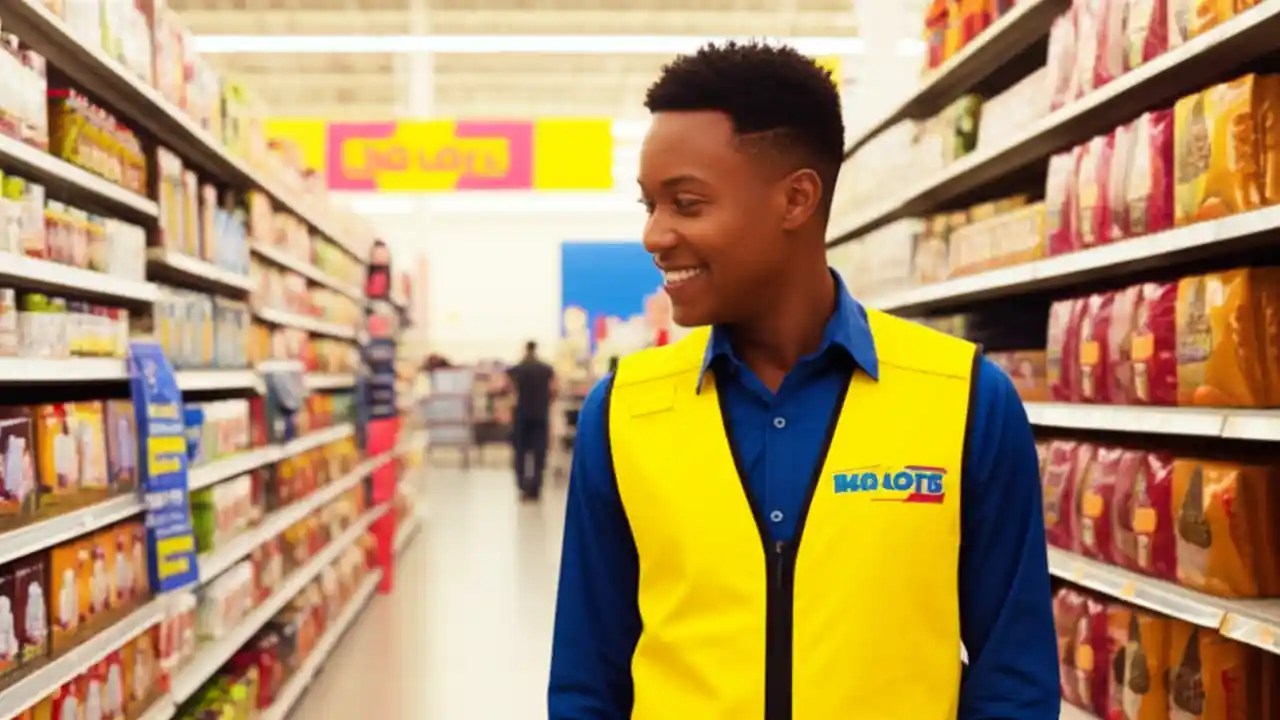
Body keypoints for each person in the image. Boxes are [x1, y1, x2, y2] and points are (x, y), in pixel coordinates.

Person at [548, 41, 1059, 719]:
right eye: (649, 204)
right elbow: (588, 680)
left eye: (687, 204)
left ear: (796, 199)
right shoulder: (622, 412)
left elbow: (1014, 677)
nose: (654, 234)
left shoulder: (965, 399)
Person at [507, 340, 556, 501]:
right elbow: (554, 390)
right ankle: (536, 487)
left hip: (522, 413)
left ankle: (523, 486)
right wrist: (547, 401)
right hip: (541, 413)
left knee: (521, 452)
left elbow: (509, 389)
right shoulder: (546, 369)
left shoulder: (517, 369)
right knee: (539, 451)